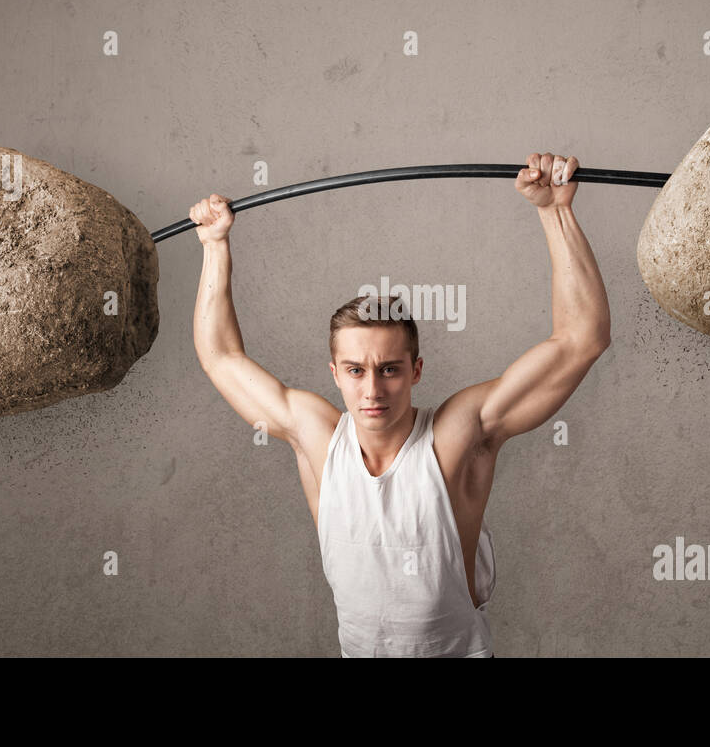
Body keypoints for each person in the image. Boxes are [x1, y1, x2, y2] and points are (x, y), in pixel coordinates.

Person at [191, 152, 611, 657]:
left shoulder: (458, 434)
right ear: (335, 374)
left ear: (415, 370)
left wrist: (555, 211)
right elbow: (220, 356)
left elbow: (581, 339)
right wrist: (215, 245)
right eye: (355, 371)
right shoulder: (317, 437)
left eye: (389, 369)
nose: (372, 390)